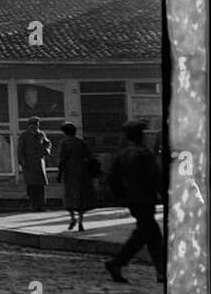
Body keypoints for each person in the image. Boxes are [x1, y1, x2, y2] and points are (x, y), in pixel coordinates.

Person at [105, 120, 164, 283]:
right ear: (141, 136)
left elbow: (112, 177)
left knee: (149, 234)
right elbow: (156, 177)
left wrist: (122, 195)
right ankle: (116, 263)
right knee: (149, 234)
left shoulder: (122, 154)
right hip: (146, 199)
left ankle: (161, 271)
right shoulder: (143, 154)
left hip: (132, 200)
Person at [55, 122, 97, 232]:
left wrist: (59, 173)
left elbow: (61, 159)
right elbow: (90, 156)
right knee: (81, 197)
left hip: (69, 172)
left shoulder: (64, 143)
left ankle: (73, 217)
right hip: (82, 171)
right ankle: (81, 222)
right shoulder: (81, 142)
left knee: (70, 196)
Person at [16, 117, 52, 211]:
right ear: (29, 126)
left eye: (37, 124)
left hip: (39, 163)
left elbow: (47, 144)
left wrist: (46, 150)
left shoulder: (41, 134)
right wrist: (22, 161)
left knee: (40, 186)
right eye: (34, 124)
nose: (36, 126)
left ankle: (41, 205)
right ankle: (33, 205)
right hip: (29, 164)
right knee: (32, 186)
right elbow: (20, 150)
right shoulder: (24, 136)